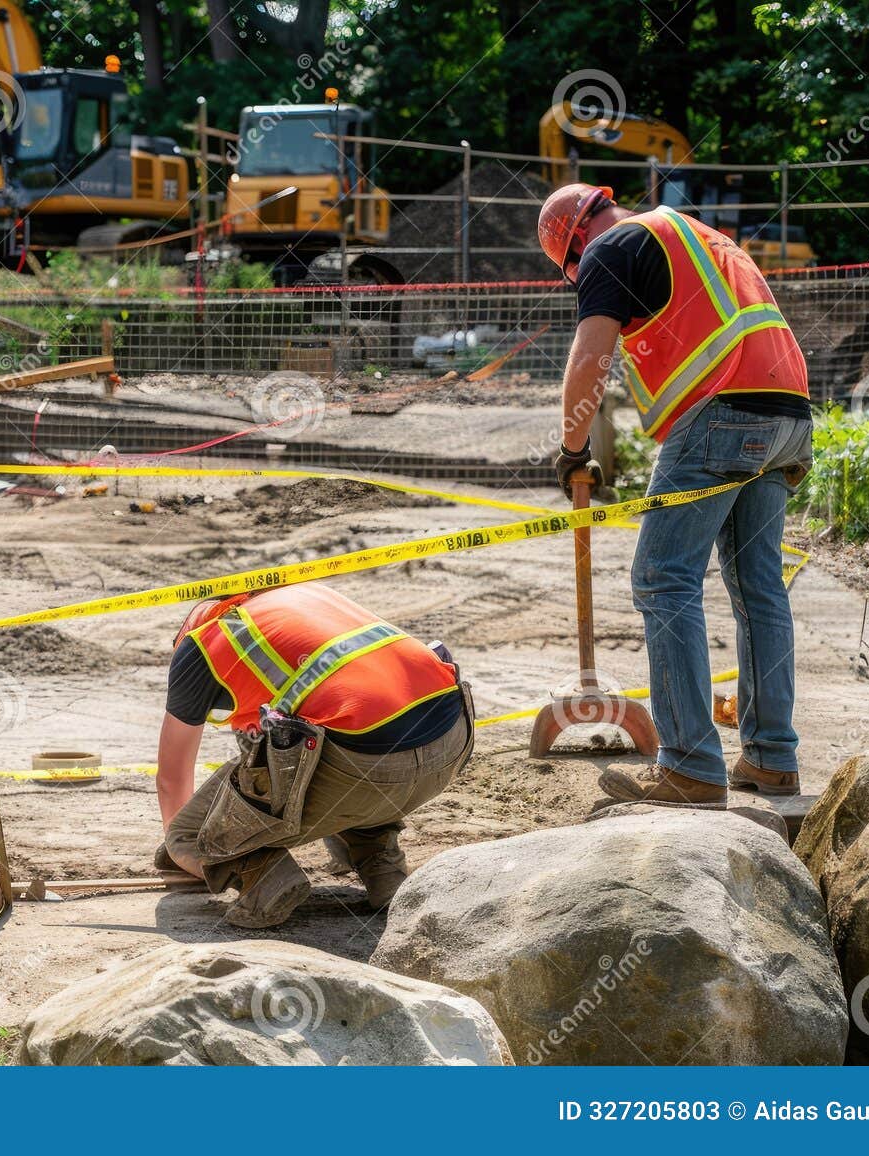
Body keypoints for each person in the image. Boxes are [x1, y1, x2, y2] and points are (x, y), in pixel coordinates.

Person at [537, 183, 812, 808]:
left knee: (663, 580)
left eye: (572, 273)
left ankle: (689, 765)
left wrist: (574, 449)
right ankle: (772, 759)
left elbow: (590, 357)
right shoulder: (695, 236)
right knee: (759, 588)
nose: (581, 279)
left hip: (721, 417)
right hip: (788, 415)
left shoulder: (609, 247)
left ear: (575, 243)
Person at [157, 582, 475, 928]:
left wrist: (195, 850)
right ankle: (384, 872)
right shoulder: (307, 600)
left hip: (361, 767)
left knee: (188, 833)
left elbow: (172, 778)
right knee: (341, 750)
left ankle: (264, 876)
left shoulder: (200, 645)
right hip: (450, 742)